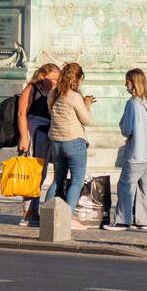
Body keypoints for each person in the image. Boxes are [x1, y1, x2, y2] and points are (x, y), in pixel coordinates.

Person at [44, 62, 93, 231]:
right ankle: (68, 217)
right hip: (74, 142)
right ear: (77, 78)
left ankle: (46, 214)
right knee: (76, 182)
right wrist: (87, 104)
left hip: (56, 143)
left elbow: (52, 114)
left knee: (57, 180)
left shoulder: (53, 94)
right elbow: (86, 119)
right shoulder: (74, 96)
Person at [114, 69, 147, 227]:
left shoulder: (132, 103)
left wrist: (122, 124)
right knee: (146, 188)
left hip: (136, 151)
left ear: (133, 83)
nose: (125, 85)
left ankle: (123, 220)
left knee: (126, 186)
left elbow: (127, 129)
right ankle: (144, 220)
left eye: (127, 82)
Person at [17, 63, 60, 227]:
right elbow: (21, 113)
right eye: (52, 78)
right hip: (33, 135)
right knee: (32, 174)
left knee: (42, 175)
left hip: (48, 134)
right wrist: (24, 138)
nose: (55, 82)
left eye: (57, 78)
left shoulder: (54, 92)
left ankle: (38, 211)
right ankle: (28, 214)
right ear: (42, 76)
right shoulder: (32, 89)